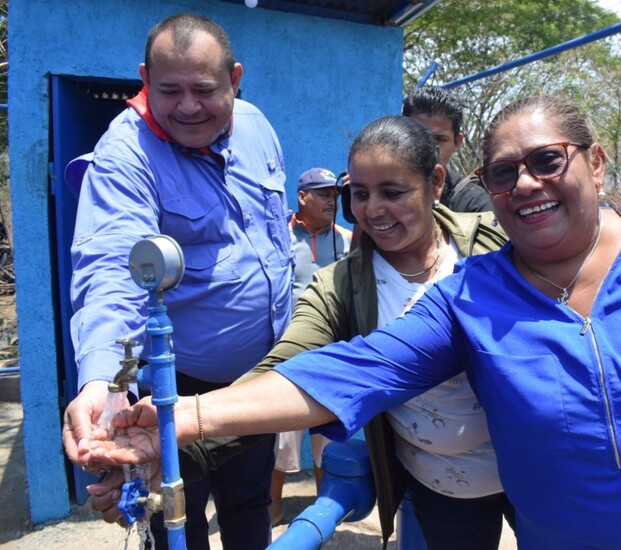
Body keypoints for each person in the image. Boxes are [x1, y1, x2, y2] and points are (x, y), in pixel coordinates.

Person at [88, 96, 621, 549]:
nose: (524, 184)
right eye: (504, 173)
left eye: (547, 161)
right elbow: (350, 369)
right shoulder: (472, 292)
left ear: (595, 164)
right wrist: (176, 419)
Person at [87, 115, 513, 549]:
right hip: (443, 484)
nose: (373, 210)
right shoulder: (342, 286)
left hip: (534, 464)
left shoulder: (494, 247)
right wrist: (172, 441)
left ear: (435, 181)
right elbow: (286, 367)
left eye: (393, 192)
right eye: (359, 195)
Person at [60, 13, 293, 550]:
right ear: (145, 78)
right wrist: (102, 380)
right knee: (175, 519)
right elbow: (112, 268)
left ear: (235, 79)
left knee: (249, 505)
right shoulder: (125, 156)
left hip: (257, 381)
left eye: (204, 89)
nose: (187, 106)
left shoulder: (257, 125)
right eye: (169, 90)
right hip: (173, 389)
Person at [269, 166, 351, 525]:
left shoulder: (346, 240)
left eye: (334, 195)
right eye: (322, 194)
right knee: (281, 436)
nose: (330, 201)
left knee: (328, 436)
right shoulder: (280, 238)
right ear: (302, 197)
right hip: (288, 353)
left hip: (331, 353)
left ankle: (325, 508)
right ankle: (271, 508)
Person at [402, 85, 492, 213]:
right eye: (417, 136)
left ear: (457, 142)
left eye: (439, 139)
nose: (427, 147)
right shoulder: (377, 192)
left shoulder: (474, 204)